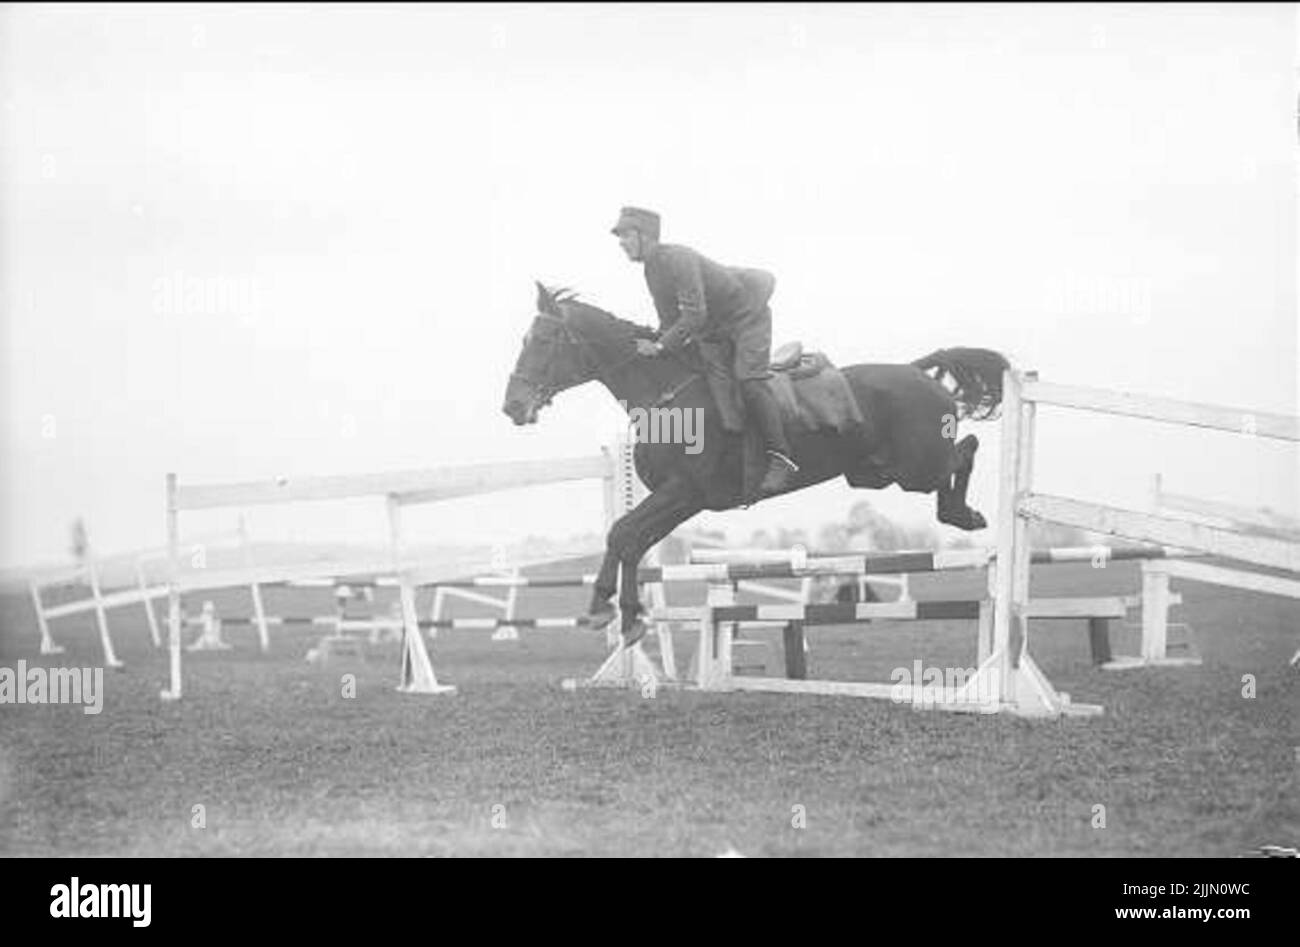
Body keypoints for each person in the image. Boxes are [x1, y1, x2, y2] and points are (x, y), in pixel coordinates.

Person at [611, 205, 798, 496]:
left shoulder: (678, 258)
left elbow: (694, 316)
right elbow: (670, 321)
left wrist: (660, 345)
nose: (621, 243)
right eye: (620, 236)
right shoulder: (651, 270)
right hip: (715, 330)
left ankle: (781, 457)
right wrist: (648, 340)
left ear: (645, 236)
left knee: (748, 379)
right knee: (708, 383)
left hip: (747, 318)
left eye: (625, 235)